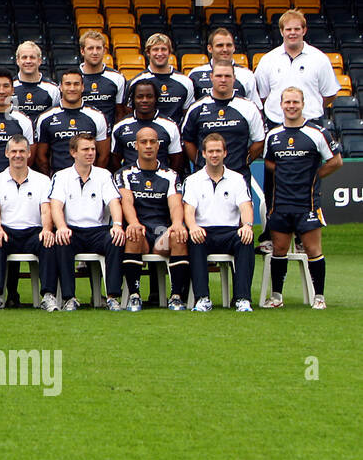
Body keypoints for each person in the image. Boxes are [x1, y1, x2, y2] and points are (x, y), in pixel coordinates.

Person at [262, 87, 342, 309]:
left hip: (307, 203)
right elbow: (269, 162)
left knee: (312, 250)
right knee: (279, 250)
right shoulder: (273, 135)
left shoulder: (317, 133)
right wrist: (285, 174)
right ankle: (277, 297)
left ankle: (319, 297)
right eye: (287, 102)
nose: (291, 106)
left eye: (295, 102)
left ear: (303, 104)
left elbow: (336, 161)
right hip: (281, 203)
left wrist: (314, 176)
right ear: (281, 105)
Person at [47, 134, 127, 311]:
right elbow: (55, 206)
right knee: (61, 240)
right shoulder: (61, 176)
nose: (90, 153)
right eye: (85, 149)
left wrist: (118, 225)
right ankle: (70, 298)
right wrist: (61, 227)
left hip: (98, 230)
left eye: (93, 149)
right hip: (72, 230)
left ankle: (112, 296)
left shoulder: (104, 175)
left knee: (116, 239)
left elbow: (114, 201)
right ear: (73, 152)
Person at [116, 125, 189, 312]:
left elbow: (175, 203)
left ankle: (176, 296)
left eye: (152, 142)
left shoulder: (170, 175)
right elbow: (127, 202)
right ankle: (134, 295)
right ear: (136, 146)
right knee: (134, 234)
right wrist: (133, 223)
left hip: (161, 233)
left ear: (158, 146)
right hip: (140, 230)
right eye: (144, 142)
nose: (148, 146)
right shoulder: (124, 173)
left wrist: (177, 224)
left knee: (178, 235)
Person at [182, 133, 256, 312]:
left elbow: (246, 207)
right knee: (195, 239)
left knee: (246, 238)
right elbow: (188, 210)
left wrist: (247, 226)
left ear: (225, 153)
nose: (214, 155)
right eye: (211, 151)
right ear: (204, 154)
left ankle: (242, 299)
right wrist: (192, 227)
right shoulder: (193, 180)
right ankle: (202, 299)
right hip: (204, 231)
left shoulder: (237, 179)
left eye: (218, 151)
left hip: (230, 232)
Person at [0, 136, 56, 311]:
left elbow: (46, 210)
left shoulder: (43, 180)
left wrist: (47, 229)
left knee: (48, 241)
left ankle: (48, 296)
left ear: (29, 153)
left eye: (22, 151)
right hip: (7, 231)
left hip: (33, 231)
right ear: (7, 153)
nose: (18, 155)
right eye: (14, 151)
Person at [254, 10, 340, 127]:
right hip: (276, 123)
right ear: (281, 31)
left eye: (297, 29)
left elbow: (330, 94)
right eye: (288, 29)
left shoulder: (320, 59)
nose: (292, 33)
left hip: (311, 122)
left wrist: (311, 108)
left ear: (304, 30)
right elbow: (262, 96)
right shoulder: (268, 60)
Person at [179, 61, 264, 175]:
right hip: (204, 176)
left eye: (227, 76)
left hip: (239, 174)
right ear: (211, 77)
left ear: (234, 78)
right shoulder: (197, 108)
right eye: (219, 76)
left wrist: (244, 161)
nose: (223, 80)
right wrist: (199, 162)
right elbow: (187, 140)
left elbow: (259, 140)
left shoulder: (249, 107)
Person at [33, 68, 110, 175]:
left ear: (82, 87)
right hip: (58, 178)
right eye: (68, 84)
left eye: (76, 84)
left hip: (88, 179)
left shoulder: (97, 117)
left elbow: (103, 155)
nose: (72, 88)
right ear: (60, 87)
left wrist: (92, 176)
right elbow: (41, 156)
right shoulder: (45, 117)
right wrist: (52, 178)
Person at [110, 79, 184, 172]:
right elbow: (115, 160)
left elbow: (176, 160)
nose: (144, 100)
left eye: (149, 96)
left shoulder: (170, 126)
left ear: (156, 98)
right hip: (129, 182)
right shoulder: (120, 126)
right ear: (133, 99)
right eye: (140, 97)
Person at [127, 33, 194, 122]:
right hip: (146, 134)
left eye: (163, 49)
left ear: (170, 52)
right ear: (148, 53)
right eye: (155, 49)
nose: (160, 53)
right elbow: (129, 113)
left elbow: (187, 114)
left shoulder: (185, 82)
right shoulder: (137, 82)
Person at [187, 27, 258, 102]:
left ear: (234, 48)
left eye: (229, 45)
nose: (225, 49)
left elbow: (255, 107)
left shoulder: (246, 75)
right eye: (220, 45)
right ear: (210, 48)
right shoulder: (195, 74)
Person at [78, 29, 127, 125]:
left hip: (107, 136)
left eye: (98, 48)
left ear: (104, 50)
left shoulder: (117, 78)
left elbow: (120, 111)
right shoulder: (72, 78)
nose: (95, 52)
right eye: (90, 48)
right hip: (80, 134)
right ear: (82, 51)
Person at [12, 41, 59, 122]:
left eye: (32, 57)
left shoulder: (52, 89)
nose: (28, 61)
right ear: (17, 61)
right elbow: (7, 118)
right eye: (24, 57)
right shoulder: (9, 87)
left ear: (39, 61)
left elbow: (56, 118)